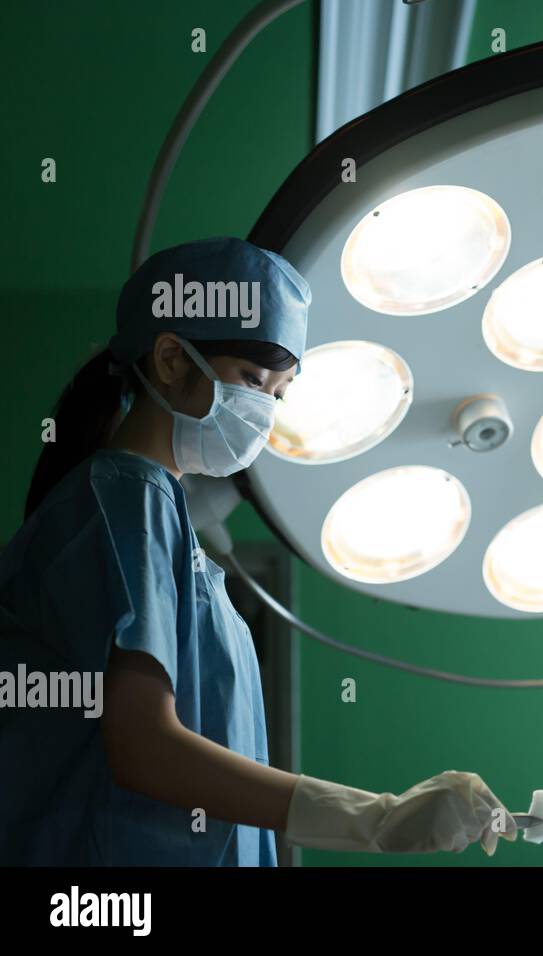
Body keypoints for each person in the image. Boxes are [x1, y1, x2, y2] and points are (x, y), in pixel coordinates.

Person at [0, 237, 515, 864]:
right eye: (251, 379)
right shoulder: (126, 497)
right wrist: (375, 817)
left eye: (278, 394)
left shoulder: (160, 523)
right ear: (169, 358)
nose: (263, 411)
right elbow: (143, 747)